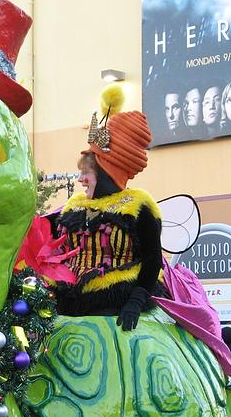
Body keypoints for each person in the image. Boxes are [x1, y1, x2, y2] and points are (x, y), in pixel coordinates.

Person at [53, 98, 160, 329]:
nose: (81, 179)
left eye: (86, 173)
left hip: (116, 308)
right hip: (68, 306)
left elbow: (153, 260)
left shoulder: (138, 204)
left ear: (106, 172)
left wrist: (136, 301)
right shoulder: (74, 205)